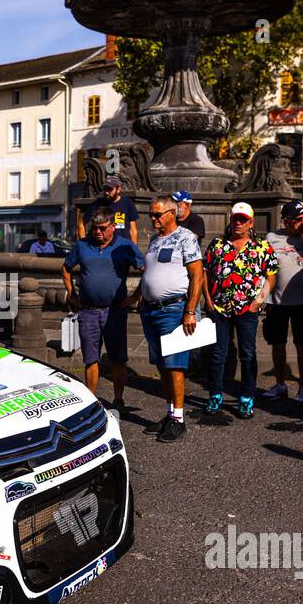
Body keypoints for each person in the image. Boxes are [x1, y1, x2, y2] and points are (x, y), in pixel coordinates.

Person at [124, 195, 203, 441]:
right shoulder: (156, 241)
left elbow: (197, 276)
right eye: (151, 215)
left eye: (157, 214)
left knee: (175, 365)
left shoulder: (186, 237)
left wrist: (190, 311)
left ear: (173, 213)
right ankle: (169, 414)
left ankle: (178, 419)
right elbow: (151, 273)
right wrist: (137, 296)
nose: (153, 219)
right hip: (152, 310)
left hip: (174, 309)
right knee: (161, 365)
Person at [62, 207, 145, 412]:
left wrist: (136, 296)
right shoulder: (82, 246)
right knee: (90, 358)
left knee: (118, 358)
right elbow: (65, 268)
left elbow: (146, 269)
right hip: (88, 311)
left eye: (102, 228)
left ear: (113, 227)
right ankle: (91, 400)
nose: (97, 232)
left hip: (115, 310)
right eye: (94, 228)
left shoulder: (125, 246)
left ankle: (118, 399)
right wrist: (72, 295)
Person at [202, 202, 278, 419]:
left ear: (250, 222)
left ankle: (246, 398)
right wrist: (207, 300)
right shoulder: (217, 244)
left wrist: (259, 301)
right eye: (235, 218)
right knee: (217, 355)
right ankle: (215, 395)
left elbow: (271, 275)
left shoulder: (261, 247)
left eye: (243, 220)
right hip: (219, 308)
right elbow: (205, 273)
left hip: (247, 310)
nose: (238, 223)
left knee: (247, 354)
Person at [262, 200, 303, 404]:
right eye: (298, 219)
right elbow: (264, 267)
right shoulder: (272, 238)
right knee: (277, 344)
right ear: (286, 221)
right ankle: (280, 384)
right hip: (277, 301)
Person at [78, 175, 139, 244]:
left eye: (110, 189)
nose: (107, 192)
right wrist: (83, 245)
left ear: (118, 189)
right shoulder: (98, 203)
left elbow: (133, 230)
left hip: (121, 249)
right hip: (100, 248)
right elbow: (81, 223)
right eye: (105, 189)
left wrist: (134, 249)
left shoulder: (127, 203)